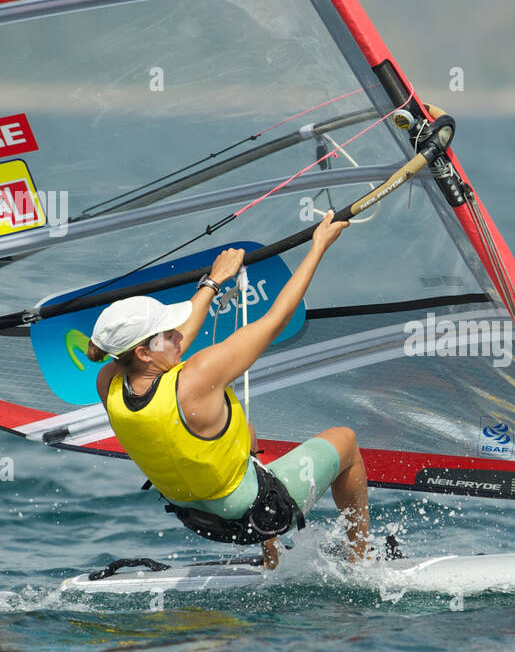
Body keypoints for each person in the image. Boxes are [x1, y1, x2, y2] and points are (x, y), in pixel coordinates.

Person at [85, 211, 368, 567]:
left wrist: (213, 282)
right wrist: (318, 247)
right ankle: (361, 561)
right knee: (346, 441)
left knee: (243, 432)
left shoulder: (109, 382)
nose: (179, 336)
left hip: (200, 519)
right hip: (254, 513)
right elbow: (275, 320)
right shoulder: (197, 376)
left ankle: (273, 556)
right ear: (142, 352)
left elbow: (169, 348)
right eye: (168, 333)